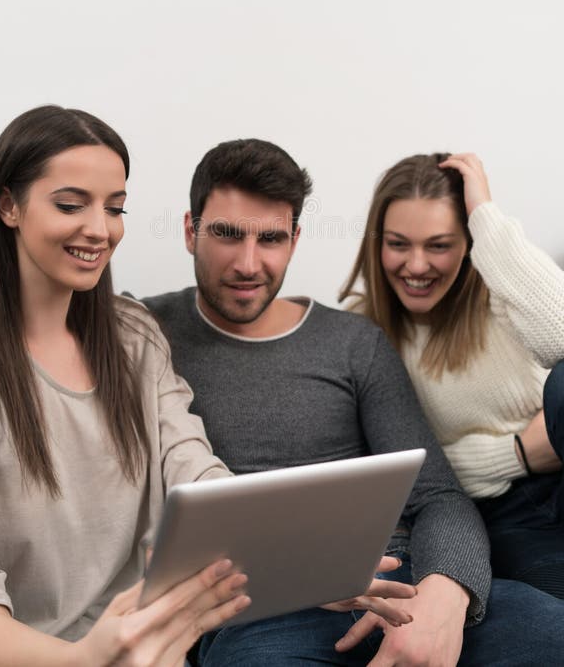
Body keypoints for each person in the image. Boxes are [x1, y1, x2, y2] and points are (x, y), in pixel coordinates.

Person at [138, 138, 564, 667]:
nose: (248, 263)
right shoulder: (140, 331)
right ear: (189, 230)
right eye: (226, 235)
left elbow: (438, 495)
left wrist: (447, 590)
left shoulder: (352, 341)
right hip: (265, 607)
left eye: (270, 238)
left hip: (399, 577)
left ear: (294, 240)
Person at [0, 106, 254, 666]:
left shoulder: (134, 335)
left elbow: (195, 469)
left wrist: (298, 557)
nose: (100, 229)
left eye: (115, 208)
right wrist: (87, 659)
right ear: (8, 206)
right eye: (70, 205)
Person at [340, 151, 564, 600]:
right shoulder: (359, 333)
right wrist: (517, 453)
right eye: (399, 243)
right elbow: (400, 470)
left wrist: (484, 213)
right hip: (498, 514)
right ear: (376, 243)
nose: (417, 266)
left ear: (467, 243)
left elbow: (561, 335)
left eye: (439, 245)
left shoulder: (500, 290)